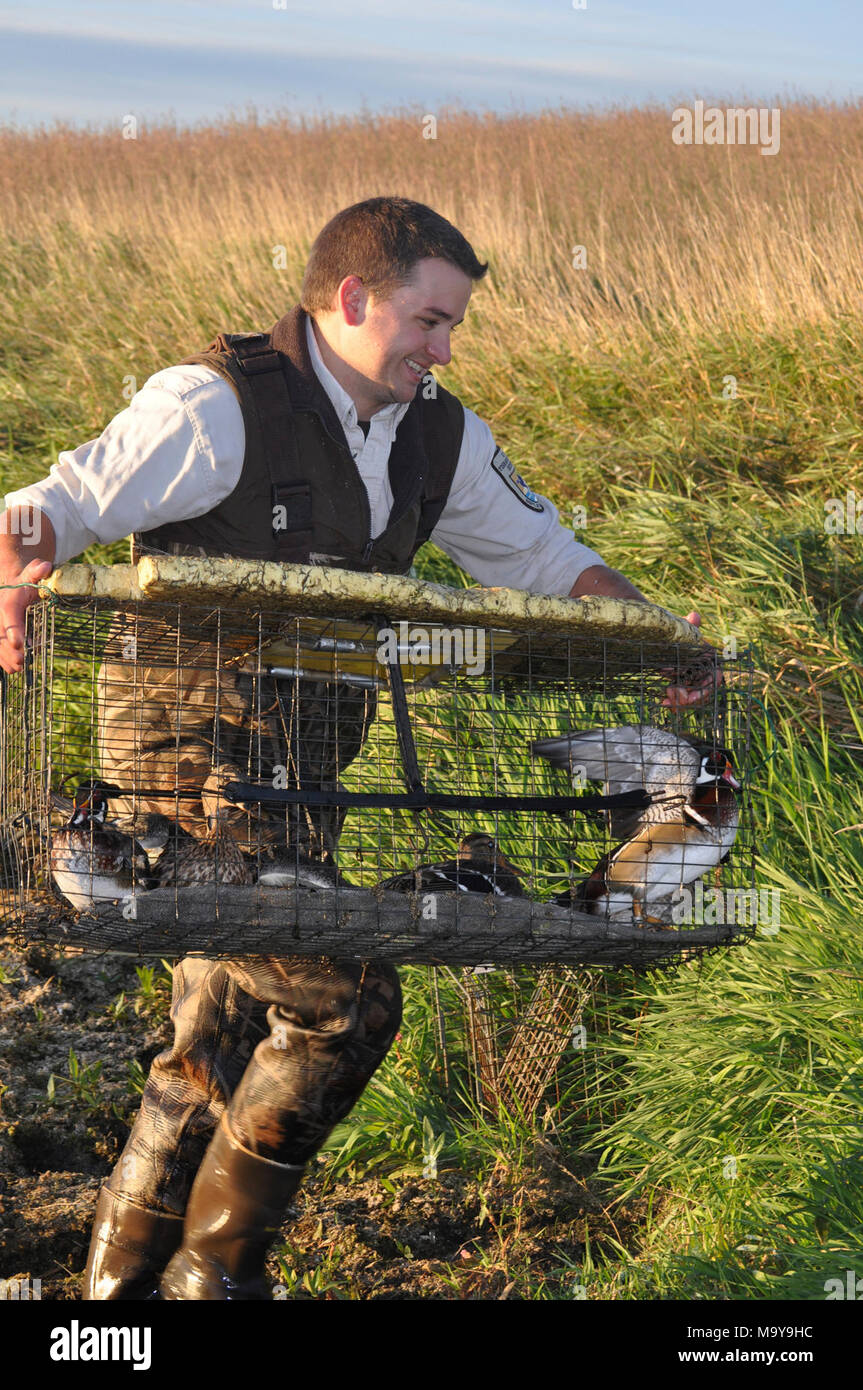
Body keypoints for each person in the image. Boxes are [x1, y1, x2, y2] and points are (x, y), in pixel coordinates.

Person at [0, 197, 715, 1301]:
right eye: (429, 321)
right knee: (344, 999)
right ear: (350, 299)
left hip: (300, 788)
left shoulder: (437, 432)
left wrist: (652, 629)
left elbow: (539, 552)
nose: (442, 348)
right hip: (181, 780)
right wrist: (12, 565)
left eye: (452, 329)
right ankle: (215, 1276)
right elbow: (62, 501)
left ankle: (112, 1307)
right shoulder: (218, 405)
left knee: (211, 1045)